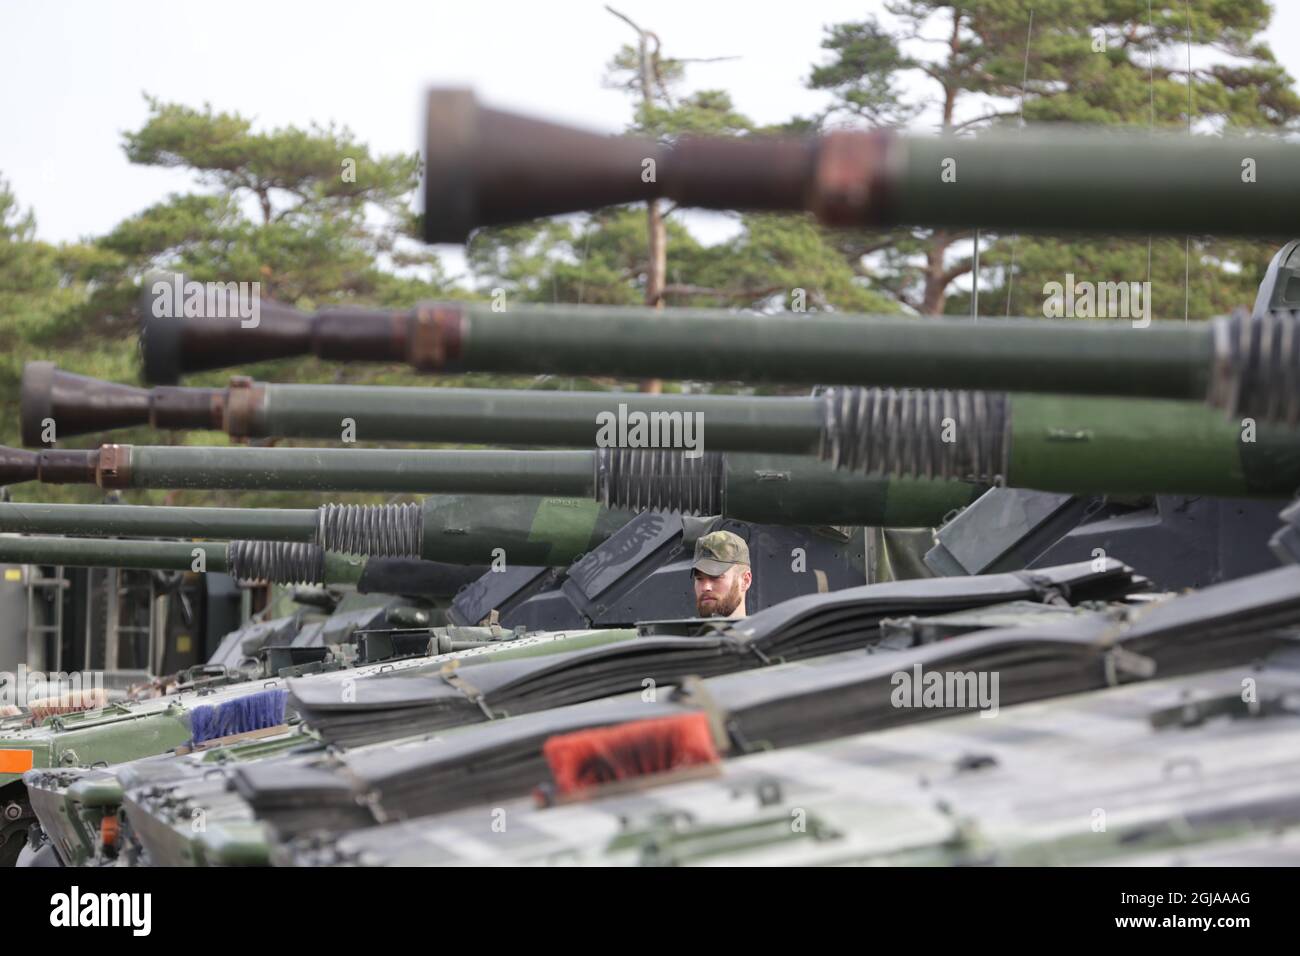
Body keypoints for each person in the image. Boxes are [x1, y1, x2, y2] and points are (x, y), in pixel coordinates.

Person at [691, 530, 752, 619]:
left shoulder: (766, 632)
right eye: (699, 578)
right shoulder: (674, 632)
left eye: (716, 577)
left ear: (745, 581)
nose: (705, 587)